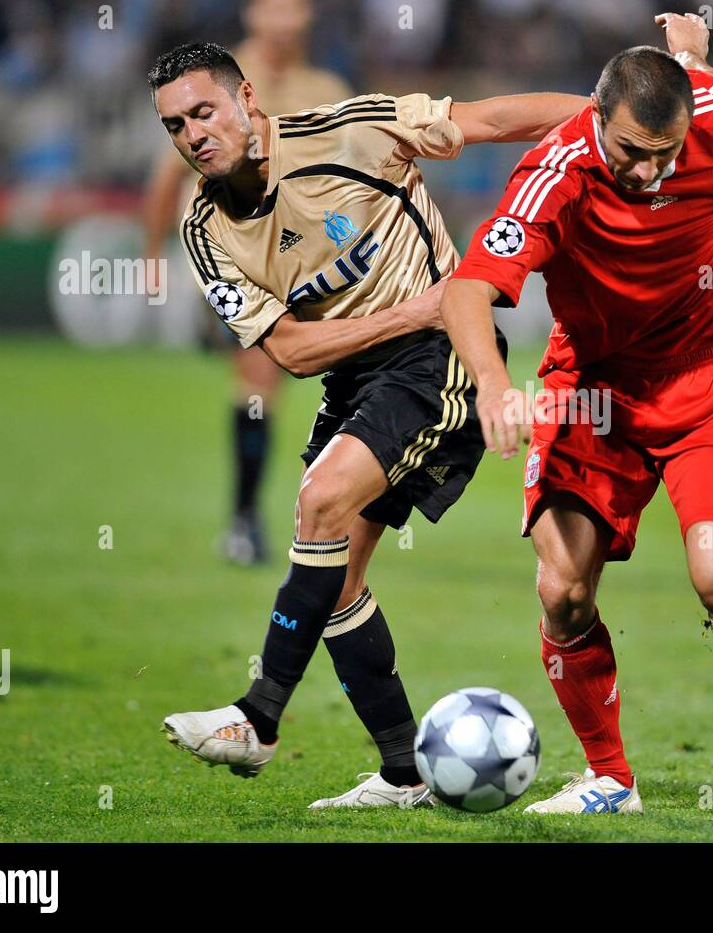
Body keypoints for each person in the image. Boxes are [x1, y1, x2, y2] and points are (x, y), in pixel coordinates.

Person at [148, 41, 586, 807]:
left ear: (247, 98)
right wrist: (415, 304)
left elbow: (491, 121)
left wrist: (605, 125)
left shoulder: (352, 131)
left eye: (204, 111)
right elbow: (290, 350)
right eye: (176, 125)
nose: (193, 135)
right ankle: (404, 770)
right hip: (363, 370)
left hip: (438, 354)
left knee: (318, 501)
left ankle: (259, 717)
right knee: (337, 579)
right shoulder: (205, 234)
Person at [441, 14, 713, 815]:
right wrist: (492, 384)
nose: (647, 171)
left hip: (711, 379)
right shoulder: (556, 172)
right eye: (631, 151)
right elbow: (467, 288)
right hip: (591, 388)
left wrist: (690, 44)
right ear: (596, 119)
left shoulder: (711, 109)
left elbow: (693, 65)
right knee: (562, 590)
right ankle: (610, 777)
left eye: (665, 154)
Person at [141, 0, 354, 565]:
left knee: (350, 380)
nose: (283, 18)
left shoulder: (327, 88)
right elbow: (166, 179)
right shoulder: (209, 87)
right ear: (254, 12)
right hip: (242, 260)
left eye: (293, 6)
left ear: (306, 14)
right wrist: (153, 255)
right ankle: (245, 519)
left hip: (316, 262)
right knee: (260, 380)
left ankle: (338, 515)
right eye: (273, 6)